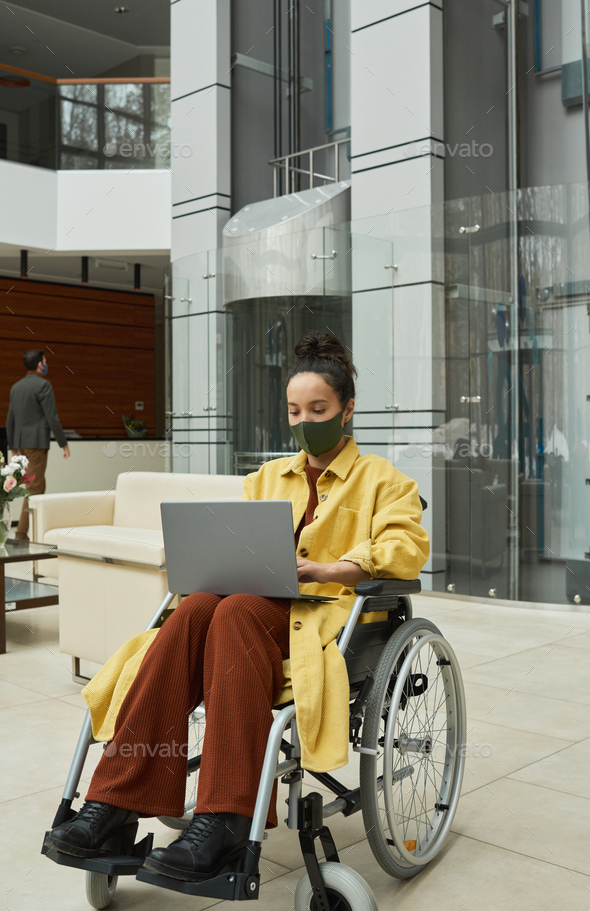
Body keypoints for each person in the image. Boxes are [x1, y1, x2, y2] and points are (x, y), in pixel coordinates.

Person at [46, 331, 429, 883]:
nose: (304, 421)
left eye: (318, 409)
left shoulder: (384, 481)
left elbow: (403, 547)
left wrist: (331, 566)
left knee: (235, 611)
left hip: (322, 616)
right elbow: (231, 542)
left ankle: (224, 817)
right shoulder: (267, 478)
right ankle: (114, 806)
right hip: (245, 608)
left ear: (347, 411)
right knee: (200, 605)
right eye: (295, 411)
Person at [6, 349, 70, 540]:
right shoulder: (44, 385)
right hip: (36, 444)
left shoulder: (16, 387)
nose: (46, 363)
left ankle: (27, 532)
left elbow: (10, 419)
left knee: (33, 486)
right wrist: (63, 443)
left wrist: (13, 448)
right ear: (40, 364)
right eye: (45, 361)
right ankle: (21, 534)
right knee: (35, 488)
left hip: (20, 443)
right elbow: (52, 417)